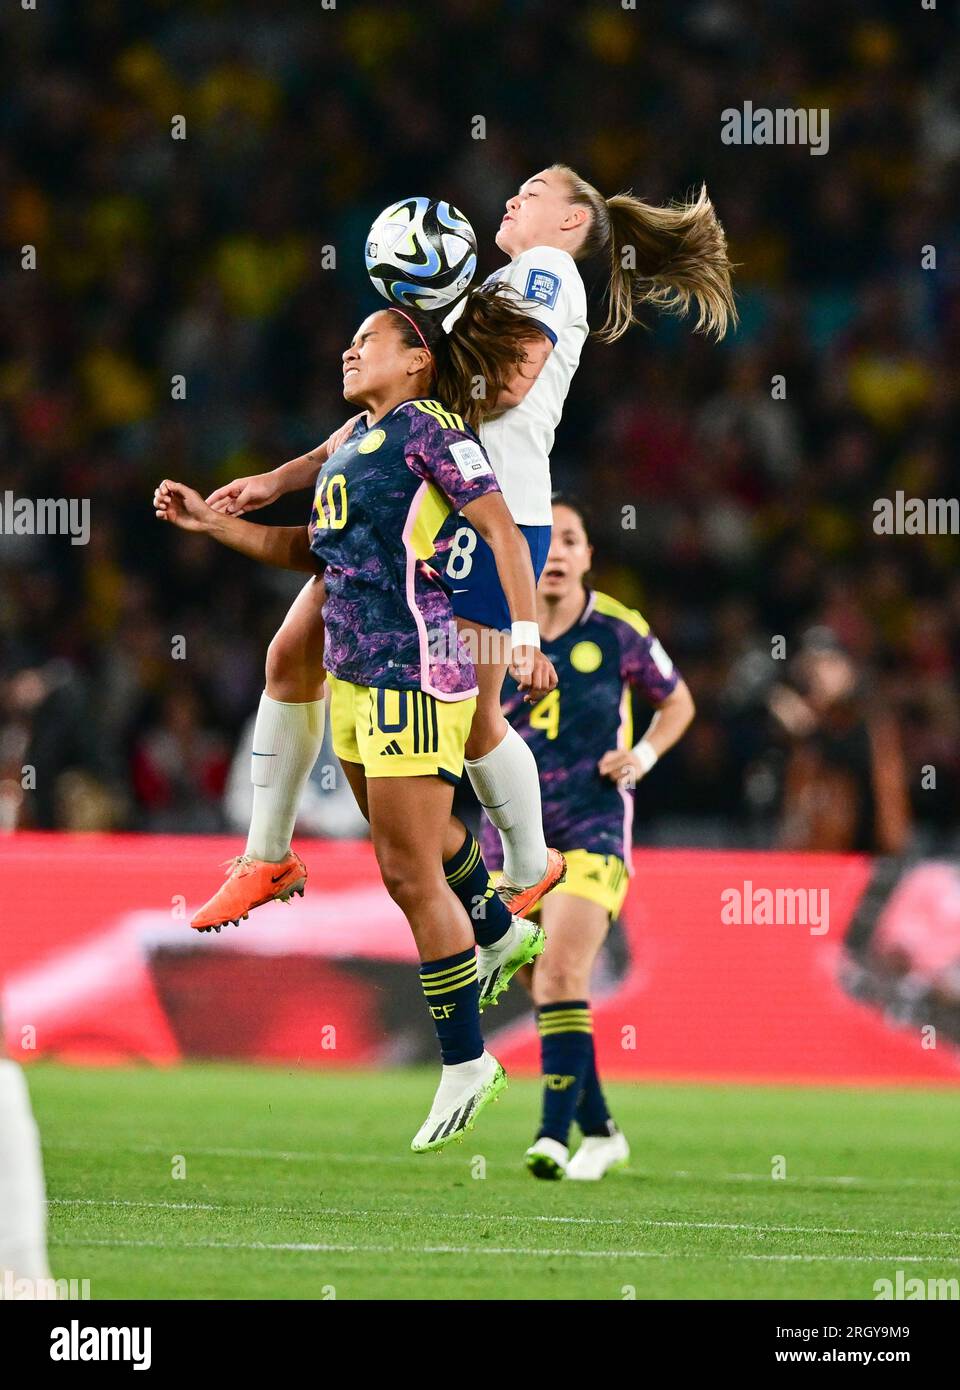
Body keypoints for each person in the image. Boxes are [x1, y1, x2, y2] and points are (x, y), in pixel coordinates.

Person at [197, 165, 736, 929]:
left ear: (571, 223)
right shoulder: (493, 289)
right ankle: (266, 855)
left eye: (536, 189)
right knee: (292, 653)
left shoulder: (546, 273)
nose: (516, 194)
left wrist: (436, 336)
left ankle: (526, 866)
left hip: (491, 517)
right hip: (424, 508)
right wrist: (281, 478)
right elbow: (387, 419)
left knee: (481, 725)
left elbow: (511, 382)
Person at [154, 305, 558, 1150]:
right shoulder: (355, 447)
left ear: (417, 360)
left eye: (368, 339)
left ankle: (465, 1061)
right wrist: (216, 523)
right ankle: (499, 926)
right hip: (358, 678)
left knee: (408, 876)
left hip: (416, 669)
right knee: (419, 839)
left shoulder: (431, 430)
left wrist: (522, 636)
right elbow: (321, 553)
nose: (348, 347)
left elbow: (500, 531)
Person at [480, 498, 695, 1180]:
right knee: (548, 988)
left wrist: (644, 758)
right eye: (544, 541)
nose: (557, 554)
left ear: (588, 556)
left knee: (563, 972)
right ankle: (600, 1129)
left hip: (592, 828)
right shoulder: (492, 633)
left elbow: (678, 701)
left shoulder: (618, 629)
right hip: (509, 835)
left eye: (571, 540)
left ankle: (552, 1136)